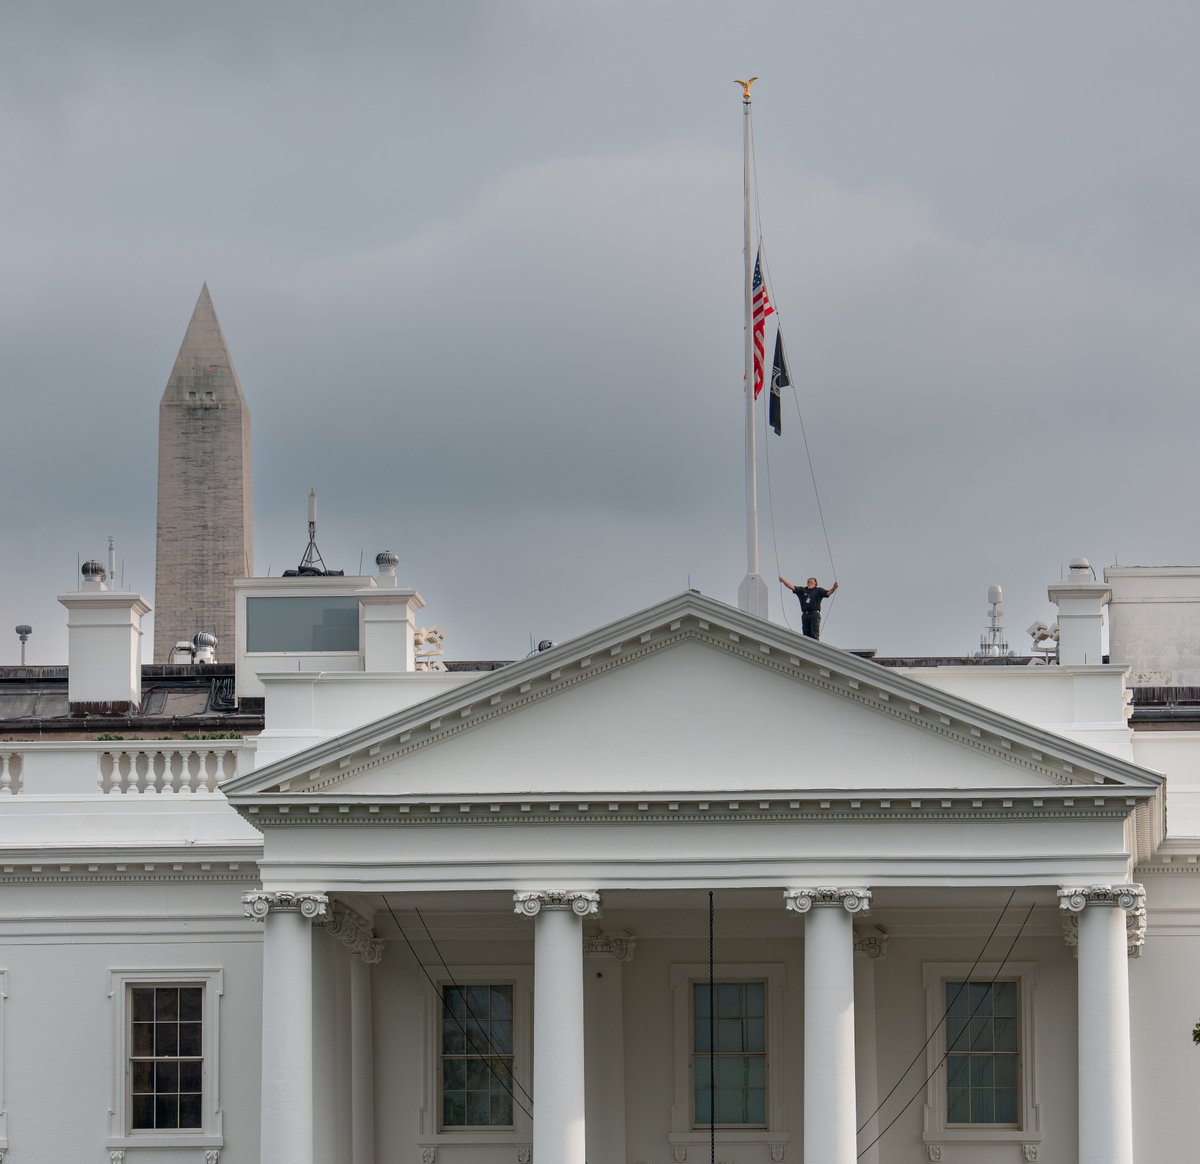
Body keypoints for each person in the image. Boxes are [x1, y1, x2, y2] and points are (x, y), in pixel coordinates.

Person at [778, 575, 839, 640]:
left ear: (815, 583)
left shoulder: (818, 590)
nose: (809, 580)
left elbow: (828, 593)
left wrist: (834, 588)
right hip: (805, 615)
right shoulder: (802, 590)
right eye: (808, 580)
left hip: (814, 614)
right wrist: (783, 580)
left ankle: (815, 648)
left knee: (814, 634)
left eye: (811, 580)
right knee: (805, 636)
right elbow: (791, 587)